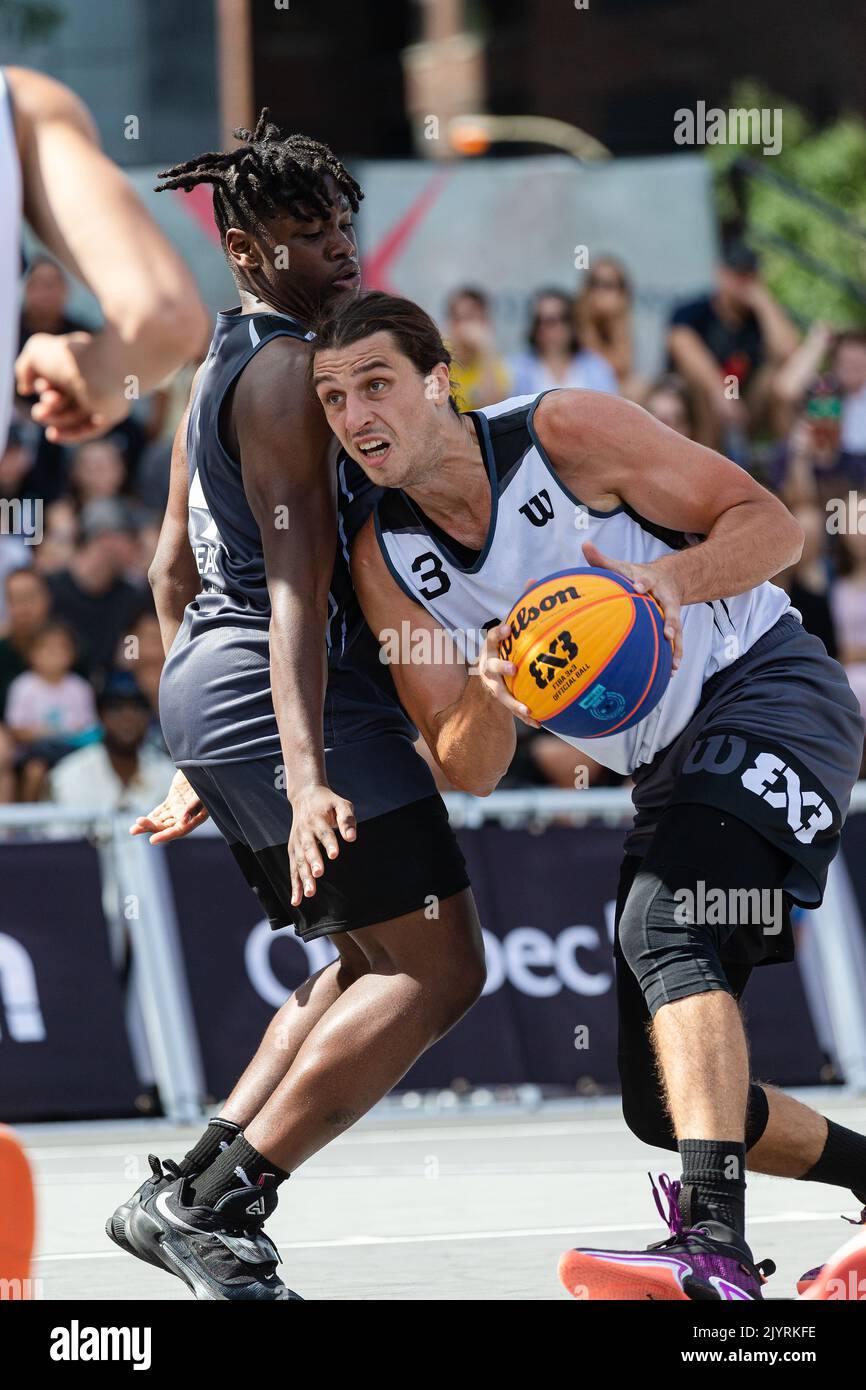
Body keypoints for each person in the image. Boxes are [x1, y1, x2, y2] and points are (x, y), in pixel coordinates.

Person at [310, 290, 866, 1302]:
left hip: (768, 686)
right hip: (668, 767)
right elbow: (467, 766)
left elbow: (772, 526)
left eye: (375, 383)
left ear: (440, 382)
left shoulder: (560, 429)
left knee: (666, 931)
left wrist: (673, 580)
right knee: (662, 1104)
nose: (354, 416)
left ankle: (712, 1248)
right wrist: (485, 695)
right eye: (332, 397)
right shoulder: (385, 557)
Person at [109, 114, 483, 1302]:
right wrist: (307, 768)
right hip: (282, 698)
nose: (339, 250)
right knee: (437, 970)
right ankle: (210, 1208)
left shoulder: (222, 356)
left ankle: (190, 1186)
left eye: (341, 226)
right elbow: (289, 588)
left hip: (216, 695)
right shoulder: (282, 373)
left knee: (365, 959)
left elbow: (172, 569)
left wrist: (189, 745)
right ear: (242, 246)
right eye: (304, 232)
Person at [668, 239, 799, 452]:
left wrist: (764, 303)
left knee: (776, 376)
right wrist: (719, 391)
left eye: (749, 275)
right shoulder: (693, 312)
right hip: (699, 405)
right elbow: (679, 342)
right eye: (737, 274)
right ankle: (705, 466)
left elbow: (790, 356)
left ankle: (786, 466)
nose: (743, 282)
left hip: (746, 409)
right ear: (721, 273)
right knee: (702, 390)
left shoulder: (758, 318)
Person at [47, 670, 174, 814]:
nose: (128, 717)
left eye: (138, 708)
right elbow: (62, 834)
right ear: (100, 716)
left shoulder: (170, 776)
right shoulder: (69, 774)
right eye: (116, 708)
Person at [510, 288, 618, 397]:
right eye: (539, 321)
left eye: (552, 320)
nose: (544, 328)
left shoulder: (596, 368)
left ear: (570, 322)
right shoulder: (517, 369)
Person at [574, 256, 639, 395]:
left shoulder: (619, 321)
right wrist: (588, 321)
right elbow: (595, 366)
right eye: (596, 283)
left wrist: (615, 321)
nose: (602, 293)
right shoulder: (571, 320)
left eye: (610, 285)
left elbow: (621, 368)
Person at [444, 286, 511, 408]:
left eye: (472, 318)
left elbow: (494, 411)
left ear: (485, 323)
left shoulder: (493, 363)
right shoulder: (438, 357)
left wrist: (485, 349)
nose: (466, 327)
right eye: (459, 318)